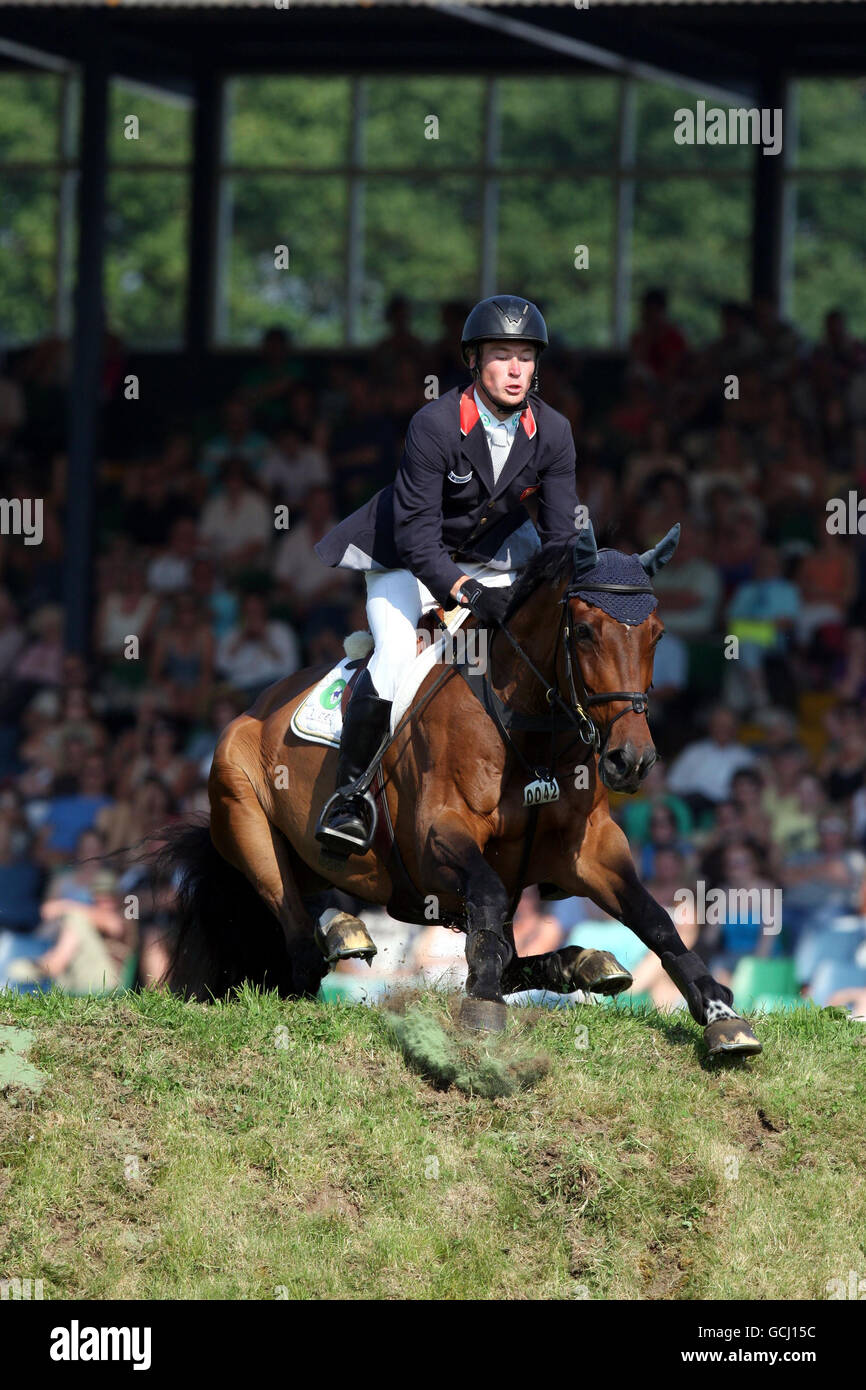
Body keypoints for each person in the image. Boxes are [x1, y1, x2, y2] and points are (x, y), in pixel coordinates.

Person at [312, 294, 582, 855]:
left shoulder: (554, 431)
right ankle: (351, 796)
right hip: (405, 556)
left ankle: (547, 787)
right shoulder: (434, 424)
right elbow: (416, 537)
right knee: (394, 657)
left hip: (493, 550)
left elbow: (558, 538)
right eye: (502, 355)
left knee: (538, 648)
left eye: (526, 357)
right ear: (474, 361)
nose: (515, 369)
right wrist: (463, 593)